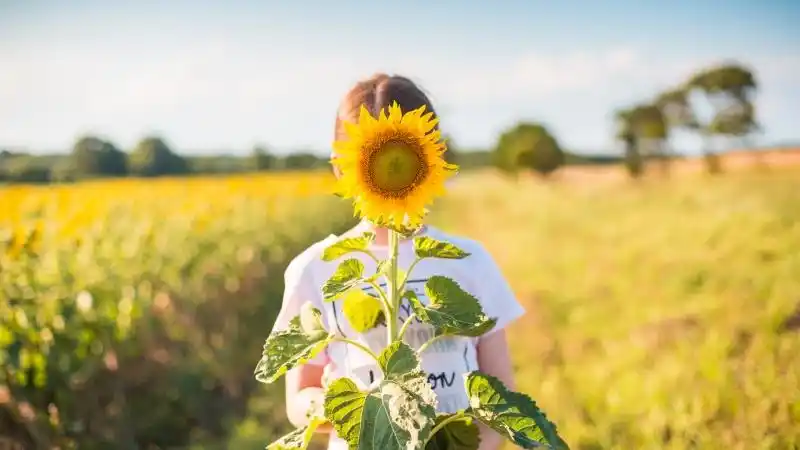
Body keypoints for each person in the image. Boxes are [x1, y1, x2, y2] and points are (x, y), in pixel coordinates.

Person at [273, 73, 526, 450]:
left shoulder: (470, 263)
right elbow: (300, 397)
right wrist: (345, 407)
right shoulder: (317, 267)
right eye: (369, 159)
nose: (389, 169)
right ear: (341, 168)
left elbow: (499, 397)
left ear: (432, 157)